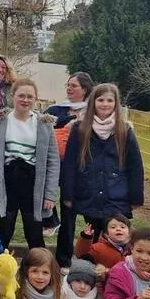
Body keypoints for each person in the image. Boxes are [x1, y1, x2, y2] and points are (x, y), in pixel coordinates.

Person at [60, 83, 144, 239]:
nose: (105, 104)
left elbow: (135, 166)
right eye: (101, 100)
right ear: (93, 102)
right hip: (88, 192)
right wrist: (68, 194)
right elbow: (70, 164)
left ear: (115, 104)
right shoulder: (80, 129)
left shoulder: (125, 131)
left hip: (116, 194)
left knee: (114, 238)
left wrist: (136, 197)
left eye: (109, 100)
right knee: (91, 238)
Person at [0, 78, 59, 249]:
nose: (25, 100)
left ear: (35, 99)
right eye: (21, 95)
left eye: (29, 96)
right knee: (3, 232)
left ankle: (38, 272)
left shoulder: (44, 125)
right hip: (7, 183)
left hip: (32, 185)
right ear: (13, 96)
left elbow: (53, 161)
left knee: (34, 234)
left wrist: (49, 194)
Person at [47, 72, 94, 268]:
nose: (69, 88)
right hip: (58, 165)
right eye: (67, 85)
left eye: (73, 85)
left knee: (91, 215)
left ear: (85, 89)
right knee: (65, 213)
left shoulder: (93, 111)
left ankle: (93, 255)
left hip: (82, 169)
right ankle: (63, 260)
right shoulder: (56, 108)